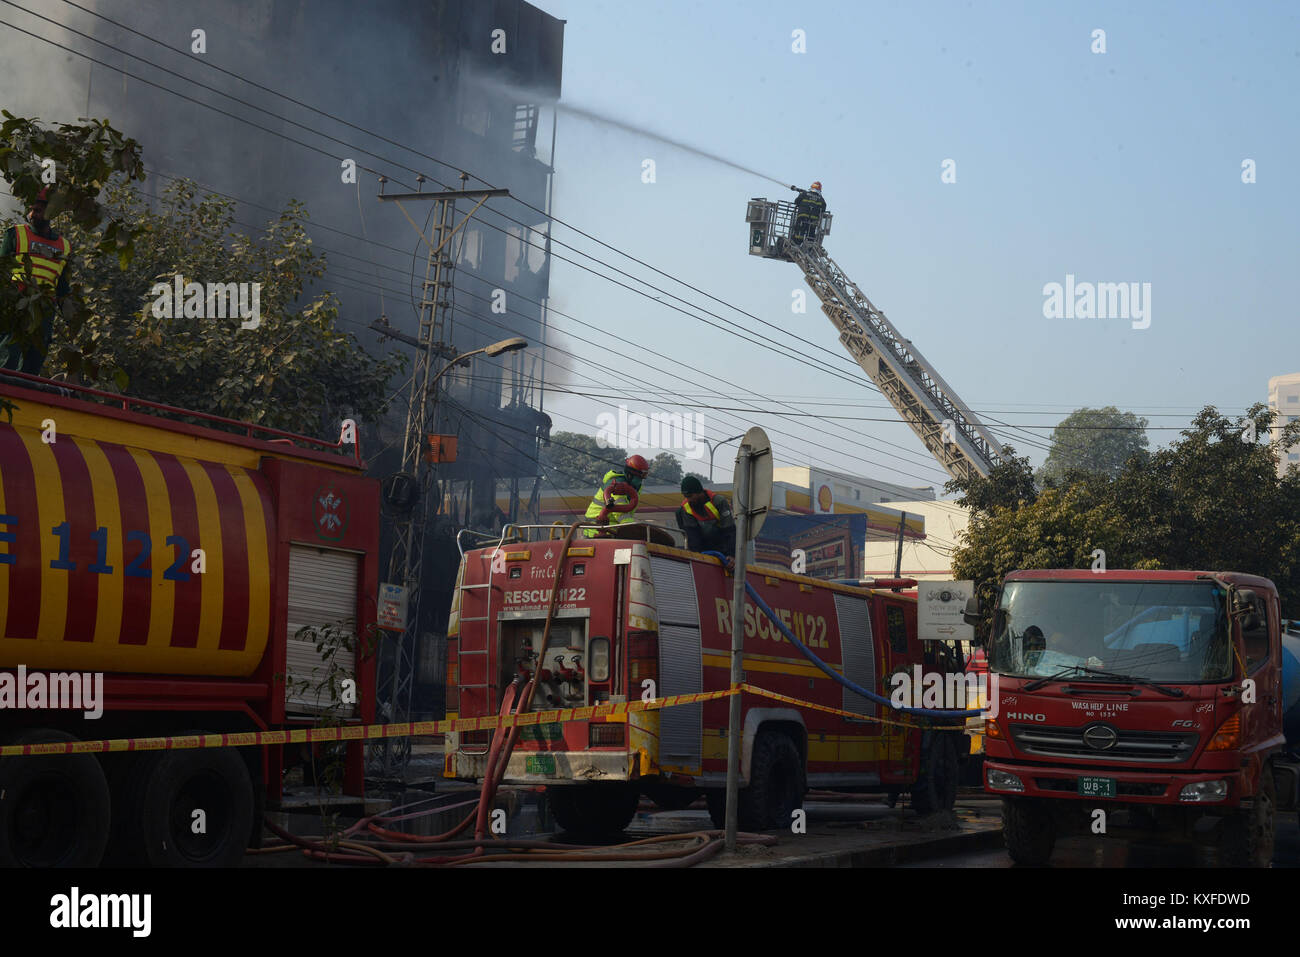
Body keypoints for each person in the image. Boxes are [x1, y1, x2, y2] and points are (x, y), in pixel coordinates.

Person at [2, 188, 71, 374]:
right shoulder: (14, 235)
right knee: (9, 355)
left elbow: (62, 287)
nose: (31, 215)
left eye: (38, 211)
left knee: (34, 361)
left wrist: (72, 317)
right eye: (31, 210)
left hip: (45, 312)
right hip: (16, 305)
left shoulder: (64, 247)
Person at [675, 475, 736, 569]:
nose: (689, 500)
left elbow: (729, 530)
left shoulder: (718, 501)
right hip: (704, 547)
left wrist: (731, 555)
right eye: (686, 497)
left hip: (722, 545)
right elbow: (692, 534)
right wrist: (697, 556)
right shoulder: (685, 508)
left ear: (699, 492)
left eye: (691, 496)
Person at [583, 454, 649, 537]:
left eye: (644, 476)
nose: (641, 480)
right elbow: (621, 514)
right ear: (630, 475)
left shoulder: (634, 487)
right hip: (595, 530)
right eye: (640, 476)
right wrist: (634, 530)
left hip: (611, 529)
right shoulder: (617, 485)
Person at [790, 181, 827, 245]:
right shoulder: (821, 199)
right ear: (819, 190)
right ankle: (810, 245)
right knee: (811, 234)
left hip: (802, 217)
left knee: (799, 232)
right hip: (813, 221)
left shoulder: (804, 194)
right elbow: (823, 208)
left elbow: (796, 202)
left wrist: (800, 195)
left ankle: (796, 243)